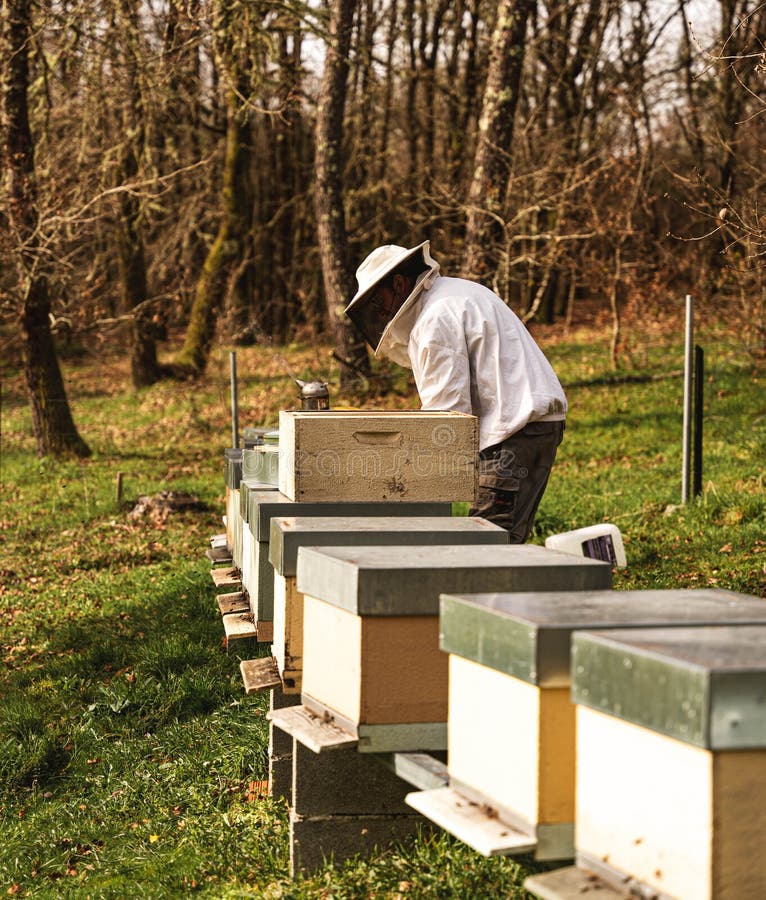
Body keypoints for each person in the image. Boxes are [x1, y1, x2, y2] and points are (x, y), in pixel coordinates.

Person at [345, 240, 567, 542]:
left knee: (486, 547)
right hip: (529, 425)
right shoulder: (452, 294)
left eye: (378, 300)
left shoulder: (435, 319)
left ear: (398, 283)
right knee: (501, 542)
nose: (379, 312)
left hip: (515, 433)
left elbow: (446, 419)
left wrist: (404, 475)